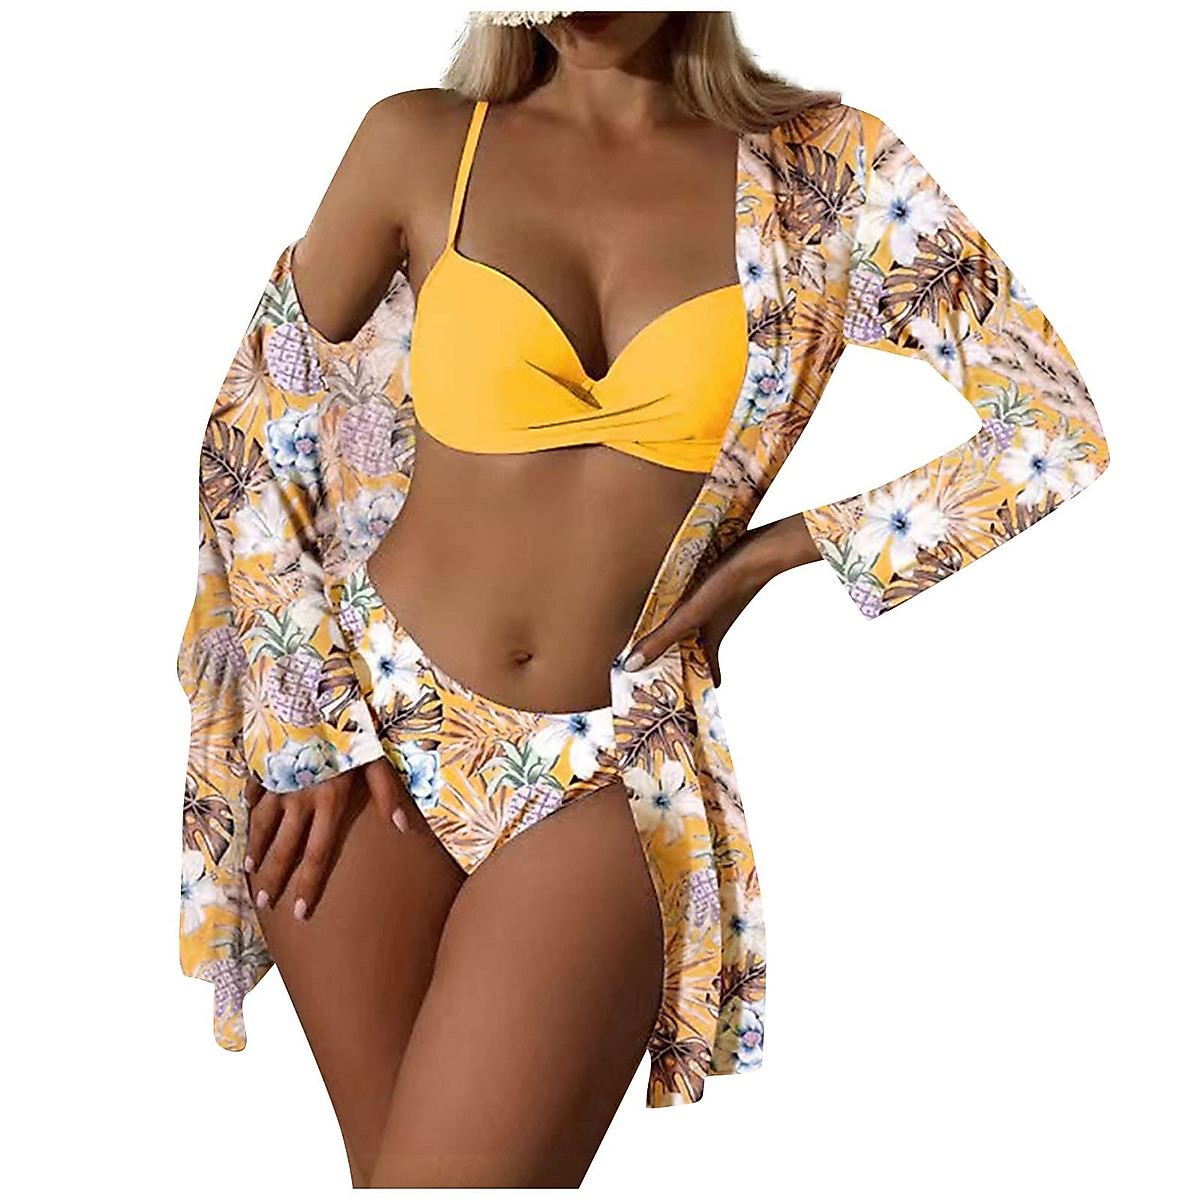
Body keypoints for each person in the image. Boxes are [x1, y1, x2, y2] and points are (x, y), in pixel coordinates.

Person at [176, 10, 1111, 1189]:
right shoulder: (419, 141)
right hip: (367, 746)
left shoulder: (829, 172)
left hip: (610, 767)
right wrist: (305, 719)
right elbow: (249, 426)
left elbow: (1054, 431)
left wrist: (781, 554)